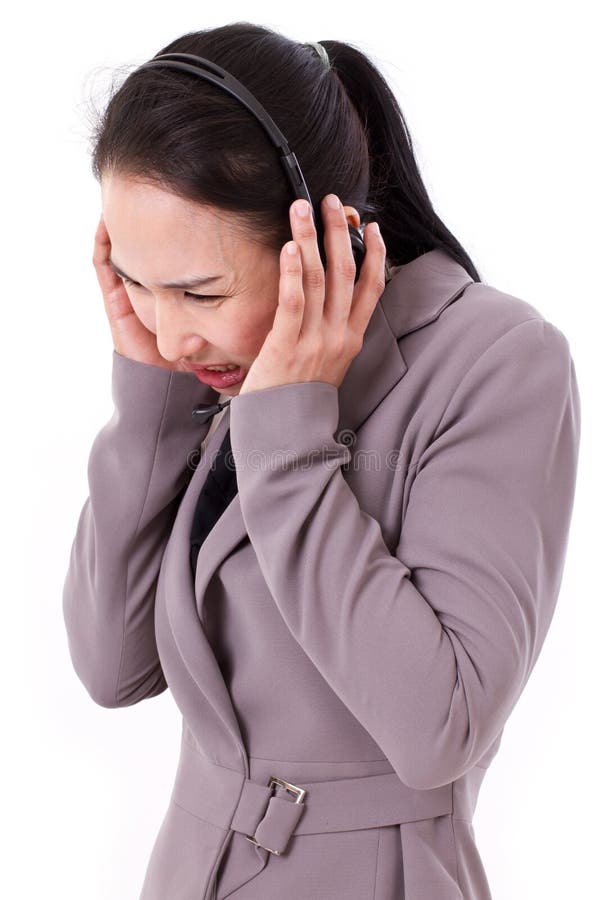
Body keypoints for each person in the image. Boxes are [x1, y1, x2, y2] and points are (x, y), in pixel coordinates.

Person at [62, 21, 581, 900]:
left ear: (324, 240)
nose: (171, 331)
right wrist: (151, 405)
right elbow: (113, 668)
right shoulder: (204, 371)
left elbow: (439, 729)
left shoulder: (497, 362)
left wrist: (291, 440)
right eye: (140, 287)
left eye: (200, 291)